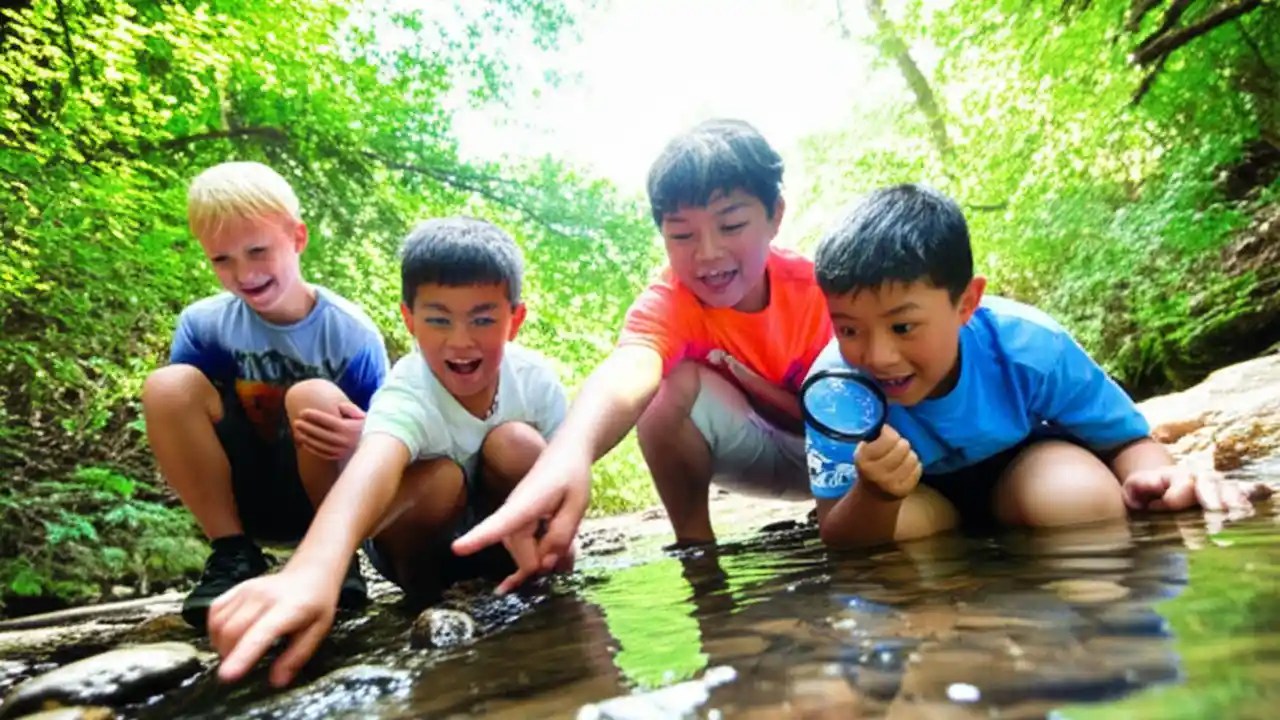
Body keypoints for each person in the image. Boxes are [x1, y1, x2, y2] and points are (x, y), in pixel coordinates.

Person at [452, 119, 832, 586]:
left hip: (844, 449)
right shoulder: (670, 302)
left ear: (775, 215)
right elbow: (627, 371)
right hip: (758, 451)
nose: (708, 253)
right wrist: (568, 457)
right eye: (682, 235)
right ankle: (698, 557)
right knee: (666, 383)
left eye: (731, 225)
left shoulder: (823, 289)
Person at [803, 183, 1269, 547]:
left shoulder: (1029, 346)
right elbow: (840, 533)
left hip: (1024, 471)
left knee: (1080, 500)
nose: (877, 356)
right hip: (916, 499)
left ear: (966, 303)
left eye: (903, 327)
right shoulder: (837, 392)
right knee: (900, 537)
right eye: (848, 330)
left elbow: (1128, 440)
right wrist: (875, 494)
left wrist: (1157, 476)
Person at [208, 217, 568, 687]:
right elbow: (374, 462)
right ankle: (425, 596)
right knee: (441, 477)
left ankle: (525, 577)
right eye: (438, 320)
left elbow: (568, 465)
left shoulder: (535, 381)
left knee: (519, 445)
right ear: (409, 320)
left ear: (514, 321)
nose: (460, 341)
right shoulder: (409, 389)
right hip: (420, 546)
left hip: (503, 539)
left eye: (483, 319)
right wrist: (314, 567)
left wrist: (563, 536)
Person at [141, 161, 388, 628]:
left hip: (328, 495)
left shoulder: (351, 334)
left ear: (297, 239)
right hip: (244, 493)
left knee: (313, 394)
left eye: (258, 250)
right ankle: (233, 556)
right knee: (167, 384)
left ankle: (335, 556)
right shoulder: (205, 325)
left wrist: (364, 435)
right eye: (222, 259)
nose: (244, 272)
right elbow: (184, 415)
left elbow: (394, 438)